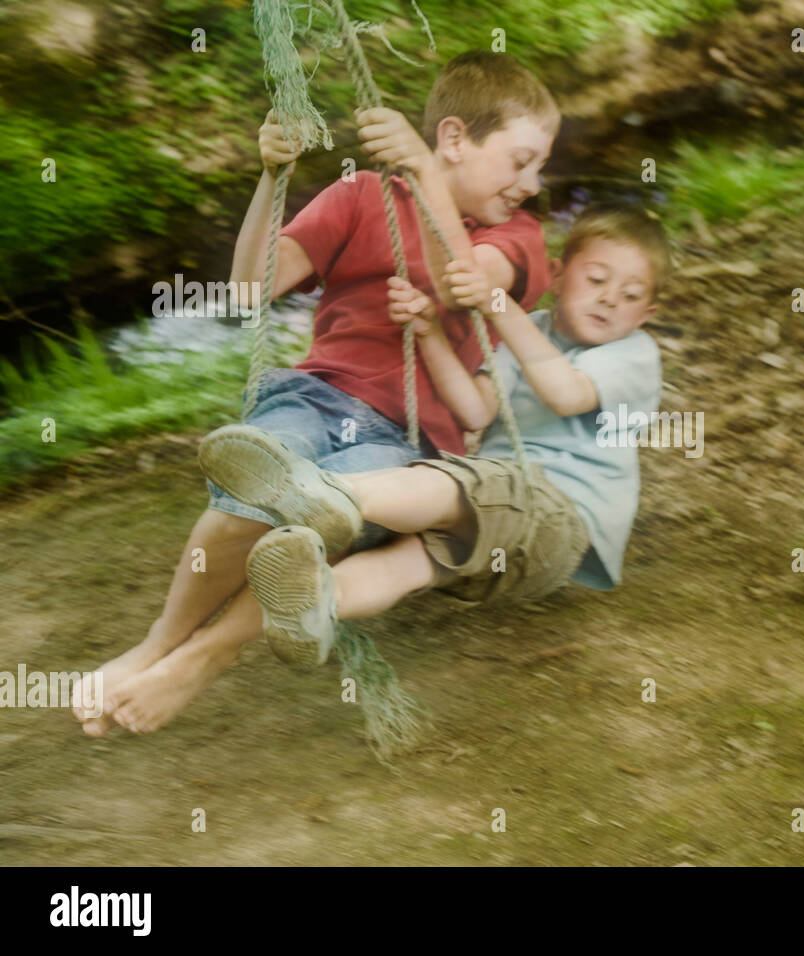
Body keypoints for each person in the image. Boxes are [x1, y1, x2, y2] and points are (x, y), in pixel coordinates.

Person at [76, 52, 559, 735]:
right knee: (254, 489)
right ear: (456, 139)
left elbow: (462, 285)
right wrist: (271, 178)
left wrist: (423, 172)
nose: (532, 183)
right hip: (314, 396)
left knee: (312, 525)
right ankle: (157, 646)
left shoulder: (518, 236)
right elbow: (250, 290)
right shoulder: (360, 197)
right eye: (520, 161)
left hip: (406, 441)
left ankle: (200, 661)